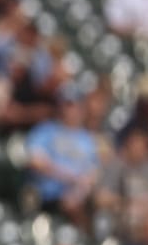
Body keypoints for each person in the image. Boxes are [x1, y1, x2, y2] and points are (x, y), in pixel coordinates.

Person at [25, 88, 99, 223]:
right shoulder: (46, 130)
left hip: (75, 199)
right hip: (45, 198)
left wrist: (78, 192)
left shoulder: (87, 139)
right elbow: (34, 161)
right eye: (65, 105)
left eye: (72, 105)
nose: (68, 110)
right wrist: (70, 177)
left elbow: (92, 174)